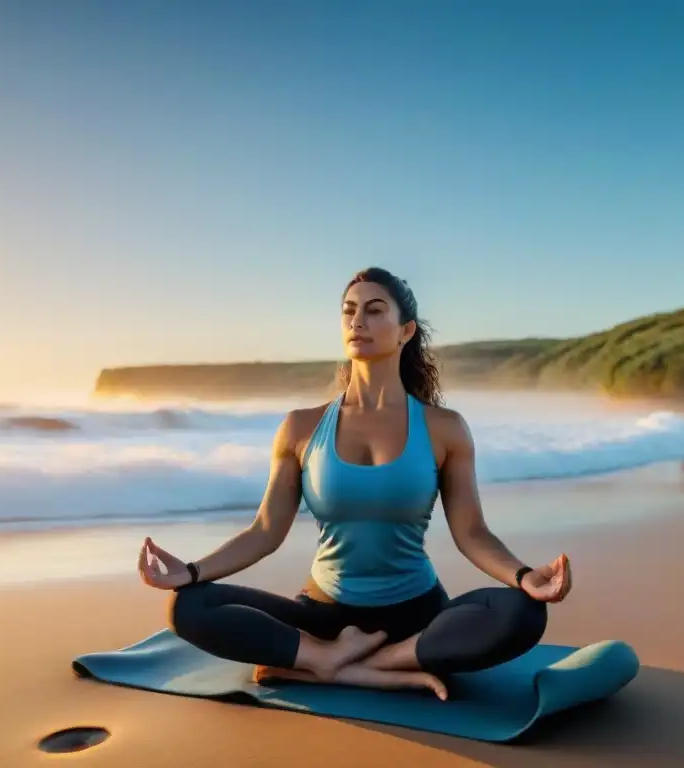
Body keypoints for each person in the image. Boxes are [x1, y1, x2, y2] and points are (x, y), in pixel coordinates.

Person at [137, 267, 573, 700]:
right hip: (323, 618)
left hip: (416, 620)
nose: (357, 321)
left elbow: (472, 533)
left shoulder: (444, 428)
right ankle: (331, 658)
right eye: (349, 311)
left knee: (522, 612)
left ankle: (365, 664)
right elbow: (265, 531)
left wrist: (523, 576)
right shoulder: (301, 427)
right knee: (189, 605)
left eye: (374, 310)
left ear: (405, 331)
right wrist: (190, 571)